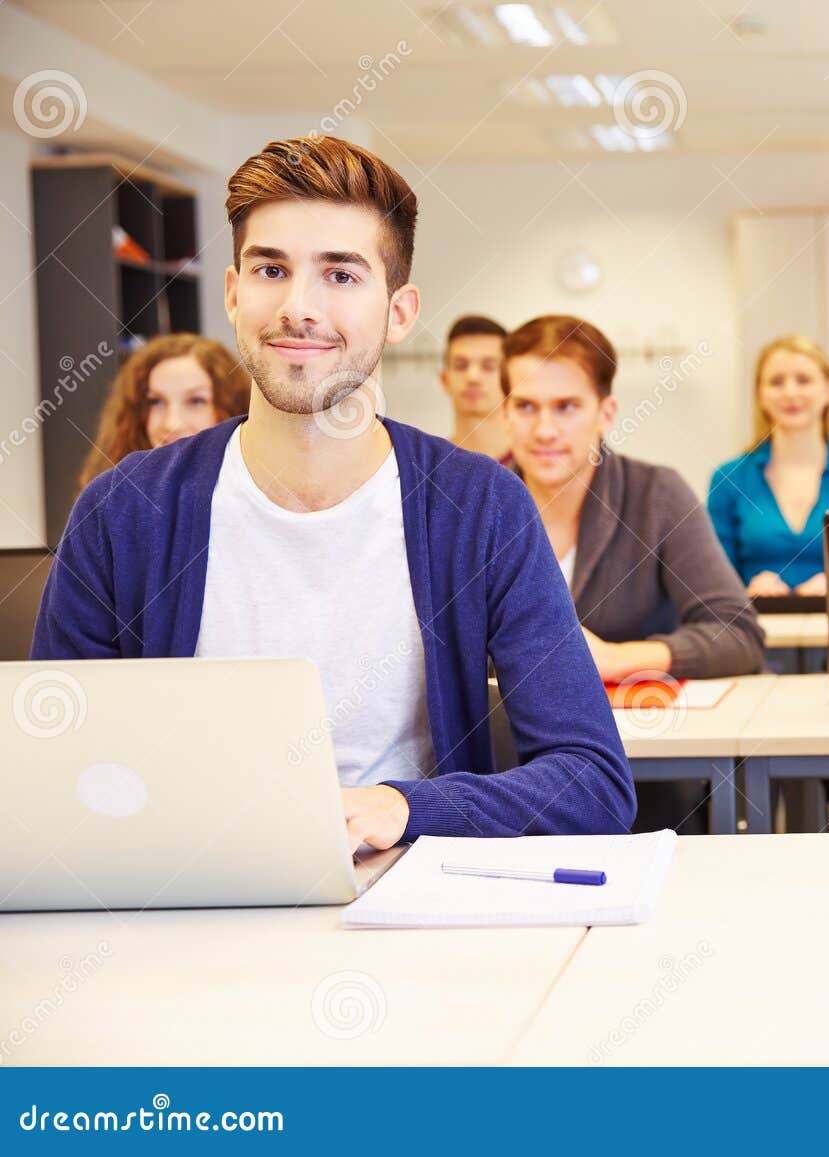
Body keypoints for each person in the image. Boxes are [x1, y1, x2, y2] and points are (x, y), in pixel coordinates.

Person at [33, 134, 635, 851]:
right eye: (270, 268)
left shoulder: (481, 507)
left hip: (406, 898)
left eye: (341, 275)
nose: (298, 306)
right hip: (185, 899)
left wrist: (406, 806)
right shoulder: (124, 508)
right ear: (232, 293)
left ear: (400, 311)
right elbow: (50, 777)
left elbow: (593, 780)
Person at [500, 313, 764, 682]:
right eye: (526, 406)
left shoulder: (657, 496)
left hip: (643, 732)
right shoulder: (477, 510)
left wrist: (616, 659)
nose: (545, 430)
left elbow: (738, 635)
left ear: (606, 413)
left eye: (566, 407)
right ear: (505, 415)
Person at [709, 336, 829, 596]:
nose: (790, 393)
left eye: (803, 380)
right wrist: (744, 591)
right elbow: (713, 580)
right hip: (752, 630)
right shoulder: (728, 480)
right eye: (776, 382)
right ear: (759, 394)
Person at [78, 333, 249, 490]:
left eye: (196, 401)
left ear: (230, 409)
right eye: (156, 402)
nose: (171, 423)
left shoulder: (251, 497)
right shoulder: (110, 499)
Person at [439, 313, 511, 463]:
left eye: (488, 366)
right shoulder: (430, 467)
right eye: (461, 366)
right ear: (445, 379)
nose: (473, 377)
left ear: (510, 379)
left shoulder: (533, 468)